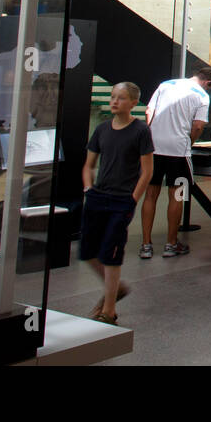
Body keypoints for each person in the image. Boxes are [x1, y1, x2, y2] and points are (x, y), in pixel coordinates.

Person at [81, 82, 153, 324]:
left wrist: (132, 199)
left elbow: (147, 172)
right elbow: (89, 164)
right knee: (87, 251)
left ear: (133, 102)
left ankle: (109, 310)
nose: (114, 101)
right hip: (98, 197)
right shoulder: (101, 129)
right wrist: (88, 188)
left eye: (121, 98)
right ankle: (117, 288)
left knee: (111, 254)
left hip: (121, 200)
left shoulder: (141, 131)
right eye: (113, 97)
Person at [140, 67, 211, 259]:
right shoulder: (202, 96)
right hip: (178, 152)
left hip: (154, 148)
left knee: (150, 194)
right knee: (177, 195)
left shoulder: (165, 85)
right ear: (207, 83)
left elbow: (149, 111)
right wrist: (188, 142)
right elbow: (198, 125)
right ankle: (171, 244)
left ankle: (146, 245)